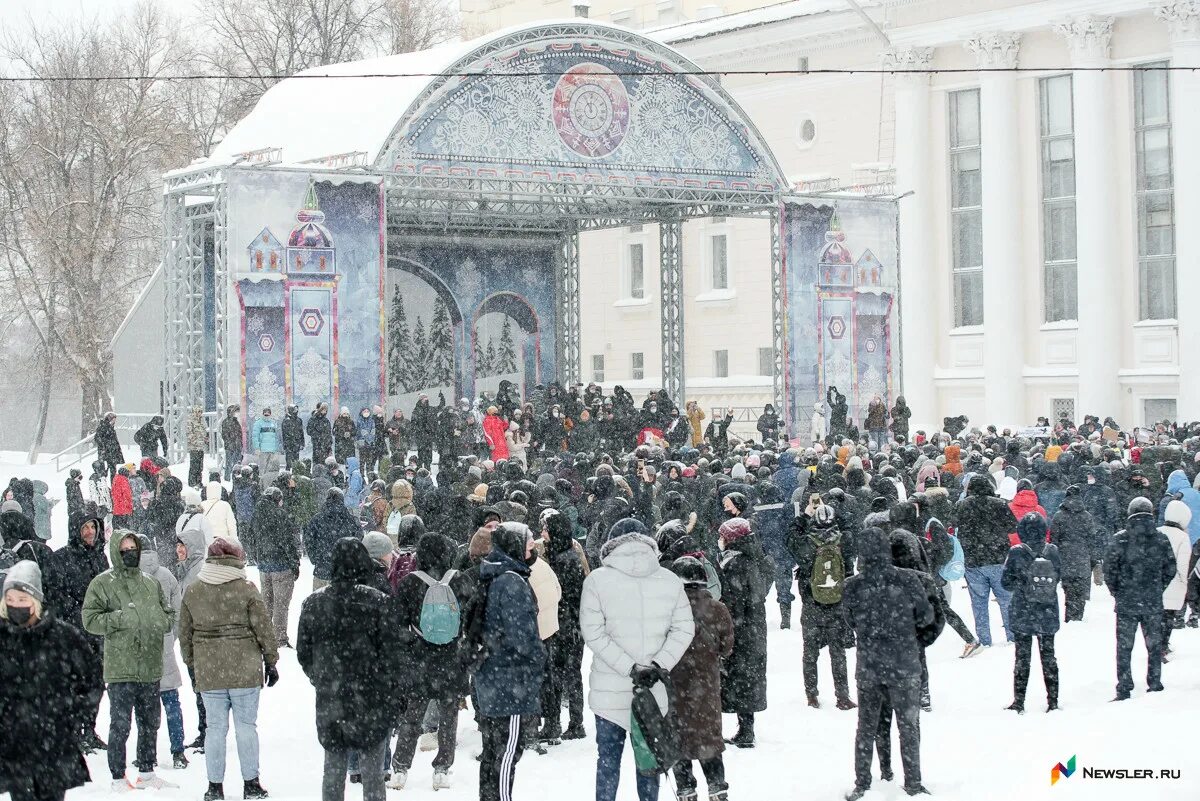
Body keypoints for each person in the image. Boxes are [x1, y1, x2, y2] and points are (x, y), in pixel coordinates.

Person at [580, 518, 694, 801]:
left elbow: (593, 633)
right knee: (649, 762)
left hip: (609, 689)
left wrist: (629, 667)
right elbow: (684, 628)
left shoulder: (596, 580)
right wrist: (658, 665)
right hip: (653, 692)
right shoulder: (669, 580)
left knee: (607, 761)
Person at [298, 538, 403, 801]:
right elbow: (392, 653)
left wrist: (321, 676)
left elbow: (304, 653)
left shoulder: (314, 604)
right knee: (373, 773)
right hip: (371, 696)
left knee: (333, 769)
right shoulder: (378, 602)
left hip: (332, 697)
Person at [179, 537, 277, 801]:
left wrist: (192, 665)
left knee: (215, 729)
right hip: (244, 667)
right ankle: (251, 784)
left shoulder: (194, 590)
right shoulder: (246, 589)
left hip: (209, 670)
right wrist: (271, 660)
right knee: (246, 727)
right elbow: (263, 628)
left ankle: (214, 787)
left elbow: (185, 633)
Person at [81, 530, 178, 791]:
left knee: (150, 722)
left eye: (133, 547)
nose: (129, 552)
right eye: (124, 548)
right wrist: (118, 619)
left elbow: (169, 613)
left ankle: (147, 772)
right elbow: (89, 618)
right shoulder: (102, 583)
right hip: (120, 668)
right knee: (120, 724)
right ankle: (117, 777)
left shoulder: (150, 582)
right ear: (115, 551)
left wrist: (160, 621)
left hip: (149, 665)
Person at [0, 560, 103, 801]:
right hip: (14, 747)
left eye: (22, 600)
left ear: (35, 602)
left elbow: (92, 682)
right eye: (10, 600)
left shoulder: (64, 637)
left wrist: (72, 715)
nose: (16, 606)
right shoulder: (2, 639)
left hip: (54, 746)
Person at [844, 527, 933, 800]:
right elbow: (926, 616)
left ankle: (862, 782)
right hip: (904, 663)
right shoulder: (907, 580)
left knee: (866, 726)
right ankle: (914, 783)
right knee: (909, 727)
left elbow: (850, 621)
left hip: (870, 664)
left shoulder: (852, 585)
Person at [389, 533, 473, 791]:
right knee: (448, 716)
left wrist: (412, 645)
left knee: (412, 716)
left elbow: (398, 626)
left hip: (420, 659)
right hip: (452, 659)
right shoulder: (461, 580)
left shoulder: (409, 583)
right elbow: (471, 619)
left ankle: (401, 767)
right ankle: (442, 768)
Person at [473, 523, 548, 801]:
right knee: (507, 755)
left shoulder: (493, 574)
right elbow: (524, 637)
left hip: (491, 677)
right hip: (510, 681)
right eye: (528, 543)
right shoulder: (513, 582)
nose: (534, 548)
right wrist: (539, 661)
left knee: (493, 752)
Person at [668, 556, 734, 801]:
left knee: (678, 741)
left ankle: (686, 790)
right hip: (706, 687)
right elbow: (727, 647)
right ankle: (717, 788)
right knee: (709, 740)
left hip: (675, 687)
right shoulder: (717, 609)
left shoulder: (667, 610)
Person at [47, 512, 109, 751]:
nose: (90, 532)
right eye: (85, 528)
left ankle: (89, 728)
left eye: (93, 527)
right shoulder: (61, 558)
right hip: (72, 633)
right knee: (73, 684)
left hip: (98, 633)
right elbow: (55, 594)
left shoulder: (100, 558)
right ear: (76, 530)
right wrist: (81, 613)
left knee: (96, 684)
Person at [1105, 497, 1177, 700]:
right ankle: (1154, 682)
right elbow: (1170, 568)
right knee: (1154, 645)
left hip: (1127, 601)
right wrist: (1157, 587)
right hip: (1152, 601)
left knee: (1124, 646)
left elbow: (1109, 570)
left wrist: (1117, 591)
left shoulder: (1120, 539)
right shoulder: (1161, 539)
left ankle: (1124, 685)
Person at [789, 505, 855, 710]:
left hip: (812, 604)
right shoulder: (844, 540)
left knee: (809, 653)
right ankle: (842, 695)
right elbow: (851, 530)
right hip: (836, 604)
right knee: (838, 653)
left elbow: (789, 539)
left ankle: (812, 695)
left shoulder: (807, 542)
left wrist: (803, 515)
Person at [136, 534, 189, 769]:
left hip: (139, 647)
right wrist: (171, 636)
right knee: (171, 702)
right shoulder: (167, 575)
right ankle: (178, 751)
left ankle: (147, 753)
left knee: (144, 707)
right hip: (164, 643)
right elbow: (178, 612)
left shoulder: (129, 576)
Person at [718, 516, 771, 747]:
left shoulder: (735, 564)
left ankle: (746, 730)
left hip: (741, 628)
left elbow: (732, 601)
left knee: (739, 677)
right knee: (750, 677)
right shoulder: (755, 558)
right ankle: (746, 727)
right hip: (755, 627)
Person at [1001, 514, 1061, 713]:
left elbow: (1006, 583)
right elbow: (1058, 575)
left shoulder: (1016, 552)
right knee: (1049, 657)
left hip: (1023, 611)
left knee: (1022, 658)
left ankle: (1019, 701)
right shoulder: (1052, 551)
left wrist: (1023, 583)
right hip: (1047, 610)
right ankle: (1052, 701)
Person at [540, 508, 589, 741]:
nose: (543, 533)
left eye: (546, 530)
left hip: (563, 626)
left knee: (558, 674)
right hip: (572, 625)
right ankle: (573, 722)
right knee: (570, 674)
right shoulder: (569, 554)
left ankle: (557, 723)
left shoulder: (561, 560)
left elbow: (562, 594)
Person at [954, 474, 1018, 647]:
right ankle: (1012, 636)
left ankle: (984, 640)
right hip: (998, 557)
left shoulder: (962, 505)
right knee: (1006, 600)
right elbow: (1012, 526)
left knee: (978, 603)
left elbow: (953, 524)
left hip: (973, 561)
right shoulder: (999, 504)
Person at [252, 486, 300, 647]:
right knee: (281, 604)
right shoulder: (280, 515)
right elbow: (287, 541)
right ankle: (279, 637)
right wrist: (294, 562)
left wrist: (257, 556)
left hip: (264, 566)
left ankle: (264, 635)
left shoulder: (257, 514)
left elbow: (251, 537)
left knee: (266, 602)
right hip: (281, 565)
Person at [1050, 486, 1099, 622]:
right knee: (1080, 590)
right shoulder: (1087, 516)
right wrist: (1092, 559)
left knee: (1069, 589)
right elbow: (1092, 539)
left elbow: (1054, 539)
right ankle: (1078, 615)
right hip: (1082, 557)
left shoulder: (1059, 516)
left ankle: (1070, 614)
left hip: (1065, 557)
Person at [304, 488, 362, 591]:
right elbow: (358, 539)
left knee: (319, 604)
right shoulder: (351, 520)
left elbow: (308, 539)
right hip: (344, 571)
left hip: (322, 569)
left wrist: (315, 558)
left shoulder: (317, 519)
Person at [1159, 500, 1191, 656]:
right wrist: (1186, 583)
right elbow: (1184, 564)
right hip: (1174, 583)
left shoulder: (1156, 531)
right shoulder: (1183, 538)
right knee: (1168, 617)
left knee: (1157, 619)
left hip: (1155, 582)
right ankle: (1163, 645)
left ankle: (1156, 644)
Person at [251, 408, 282, 488]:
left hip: (272, 451)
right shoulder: (258, 423)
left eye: (268, 414)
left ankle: (270, 485)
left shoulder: (273, 423)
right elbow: (255, 436)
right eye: (265, 414)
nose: (267, 415)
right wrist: (257, 448)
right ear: (263, 414)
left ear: (270, 414)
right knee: (263, 469)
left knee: (271, 470)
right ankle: (262, 486)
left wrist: (277, 449)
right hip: (263, 451)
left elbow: (276, 438)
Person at [96, 411, 125, 479]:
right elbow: (98, 438)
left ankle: (113, 485)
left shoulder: (110, 428)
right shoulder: (103, 427)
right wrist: (105, 446)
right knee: (105, 471)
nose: (114, 422)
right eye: (113, 420)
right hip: (107, 453)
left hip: (111, 453)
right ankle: (107, 485)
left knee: (112, 471)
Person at [221, 406, 244, 482]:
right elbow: (225, 435)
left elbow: (239, 435)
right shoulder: (227, 422)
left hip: (237, 446)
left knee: (236, 464)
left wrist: (240, 445)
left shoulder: (236, 422)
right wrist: (230, 444)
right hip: (231, 447)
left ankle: (235, 478)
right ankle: (227, 479)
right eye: (235, 412)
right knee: (229, 464)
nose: (236, 414)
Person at [187, 406, 207, 489]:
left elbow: (204, 432)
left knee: (200, 466)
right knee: (194, 466)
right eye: (198, 412)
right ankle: (192, 482)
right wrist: (195, 441)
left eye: (201, 412)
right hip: (194, 447)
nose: (200, 414)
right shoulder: (190, 421)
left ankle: (199, 481)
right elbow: (189, 433)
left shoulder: (201, 421)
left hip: (201, 447)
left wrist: (205, 438)